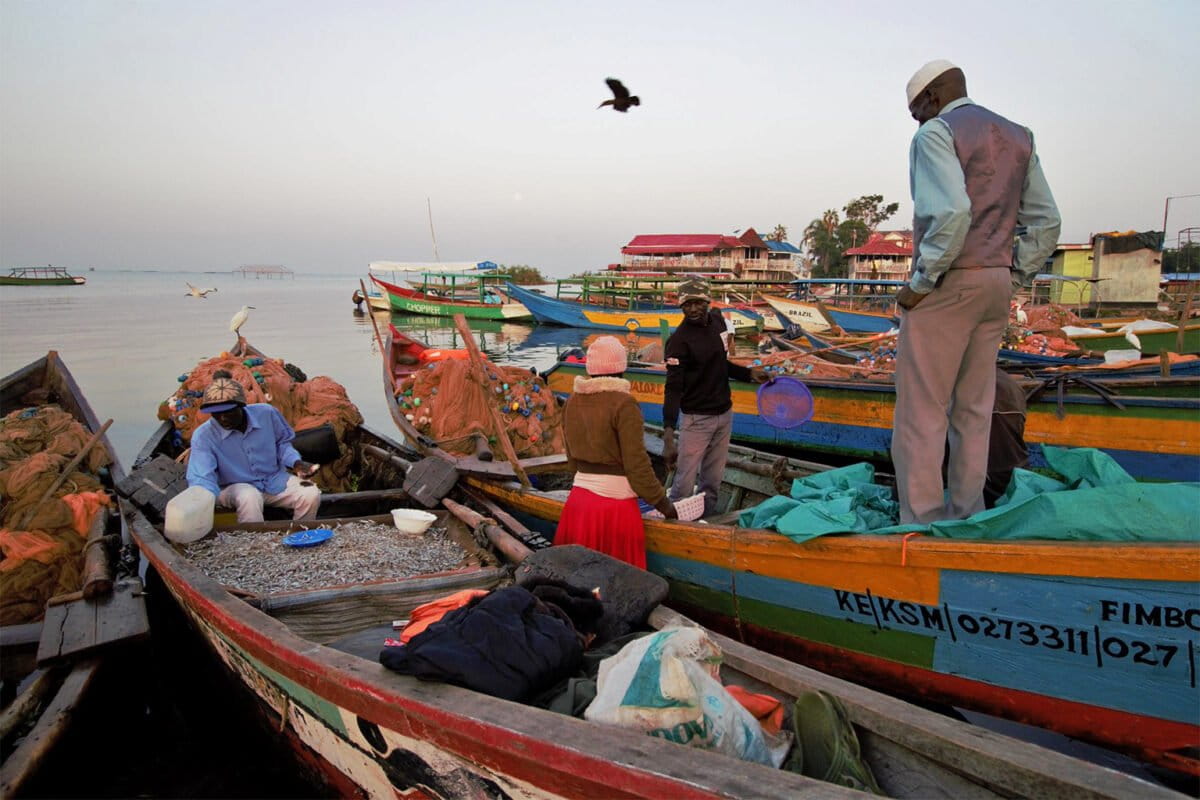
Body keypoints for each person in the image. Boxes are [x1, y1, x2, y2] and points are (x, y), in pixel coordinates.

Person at [892, 60, 1060, 524]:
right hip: (995, 283)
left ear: (931, 98)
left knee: (922, 413)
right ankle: (968, 513)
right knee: (974, 410)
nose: (917, 123)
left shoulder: (936, 133)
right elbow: (1047, 222)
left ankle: (923, 522)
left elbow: (950, 213)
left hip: (950, 282)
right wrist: (1014, 275)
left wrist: (921, 282)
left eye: (916, 113)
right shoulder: (1020, 136)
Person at [555, 336, 676, 568]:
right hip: (615, 510)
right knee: (617, 580)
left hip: (578, 504)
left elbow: (571, 460)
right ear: (621, 368)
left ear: (590, 368)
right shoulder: (624, 404)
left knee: (576, 578)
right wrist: (664, 504)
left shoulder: (571, 402)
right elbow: (637, 466)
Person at [662, 276, 767, 517]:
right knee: (683, 484)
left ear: (707, 301)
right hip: (696, 420)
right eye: (687, 304)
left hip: (724, 414)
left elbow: (721, 364)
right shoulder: (678, 342)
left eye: (698, 303)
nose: (693, 309)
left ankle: (707, 521)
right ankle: (674, 527)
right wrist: (668, 434)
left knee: (712, 481)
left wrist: (749, 374)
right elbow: (673, 388)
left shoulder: (718, 323)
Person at [186, 370, 321, 523]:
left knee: (310, 493)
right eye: (216, 414)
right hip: (232, 488)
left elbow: (282, 444)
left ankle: (301, 532)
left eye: (228, 412)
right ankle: (254, 538)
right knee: (249, 496)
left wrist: (296, 463)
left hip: (273, 480)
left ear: (241, 406)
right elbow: (202, 478)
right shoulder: (203, 436)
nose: (223, 418)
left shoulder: (267, 414)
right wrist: (202, 506)